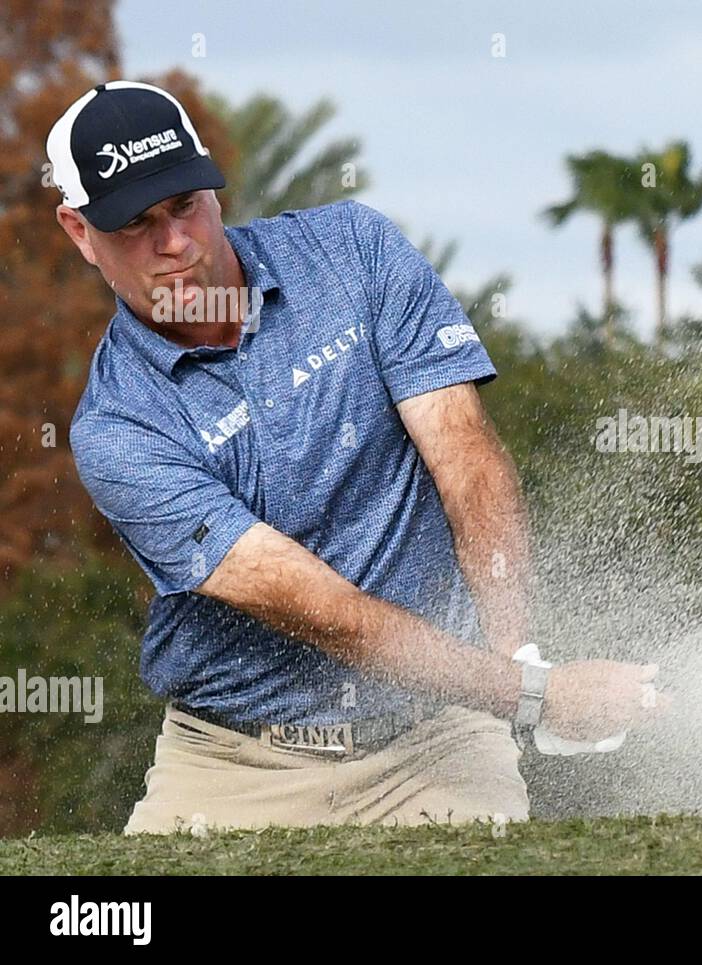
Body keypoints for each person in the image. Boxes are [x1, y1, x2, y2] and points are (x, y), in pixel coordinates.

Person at [47, 80, 664, 834]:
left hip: (437, 737)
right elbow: (329, 614)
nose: (175, 243)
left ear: (212, 185)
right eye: (137, 224)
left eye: (185, 205)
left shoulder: (352, 253)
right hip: (235, 767)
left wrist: (520, 655)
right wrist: (535, 695)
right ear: (79, 232)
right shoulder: (119, 429)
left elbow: (467, 457)